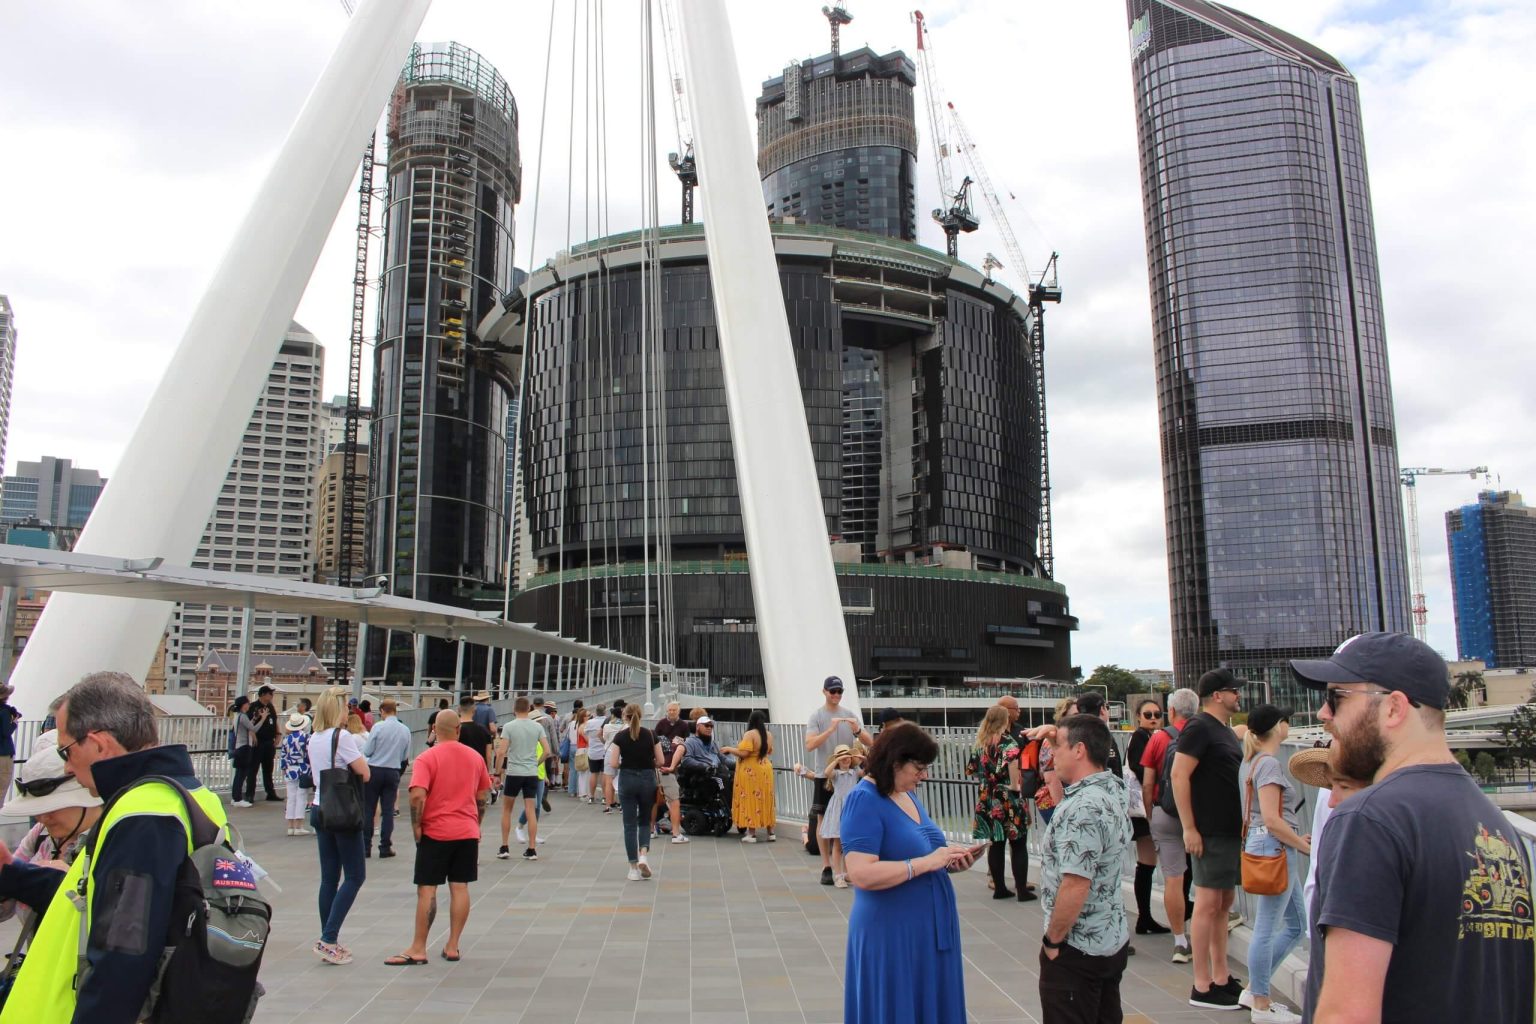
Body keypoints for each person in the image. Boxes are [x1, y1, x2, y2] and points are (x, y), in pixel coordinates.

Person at [1293, 631, 1534, 1023]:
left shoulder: (1369, 820)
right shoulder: (1497, 827)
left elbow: (1347, 1014)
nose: (1323, 714)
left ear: (1393, 708)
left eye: (1336, 698)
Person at [0, 671, 230, 1021]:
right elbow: (99, 899)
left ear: (99, 744)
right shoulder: (188, 795)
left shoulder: (143, 815)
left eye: (66, 749)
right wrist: (14, 875)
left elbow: (123, 958)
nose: (66, 764)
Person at [841, 723, 979, 1023]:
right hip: (892, 932)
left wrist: (949, 860)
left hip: (927, 931)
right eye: (919, 767)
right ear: (895, 762)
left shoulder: (906, 794)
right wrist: (928, 863)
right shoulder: (862, 800)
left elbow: (921, 852)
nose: (924, 775)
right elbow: (861, 873)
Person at [1037, 714, 1134, 1023]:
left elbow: (1076, 884)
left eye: (1059, 748)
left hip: (1078, 950)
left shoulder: (1083, 809)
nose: (1053, 755)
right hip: (1109, 939)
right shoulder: (1113, 789)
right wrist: (1056, 735)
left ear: (1079, 750)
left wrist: (1053, 941)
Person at [384, 710, 491, 966]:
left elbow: (417, 795)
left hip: (436, 831)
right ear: (458, 730)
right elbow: (482, 796)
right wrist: (476, 824)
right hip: (466, 831)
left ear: (434, 729)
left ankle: (419, 947)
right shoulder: (475, 757)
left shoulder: (427, 758)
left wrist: (416, 827)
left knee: (427, 889)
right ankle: (453, 945)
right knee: (460, 886)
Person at [1170, 668, 1245, 1009]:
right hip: (1209, 830)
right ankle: (1202, 984)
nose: (1238, 696)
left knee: (1223, 904)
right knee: (1207, 903)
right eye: (1233, 691)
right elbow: (1178, 773)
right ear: (1217, 695)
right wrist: (1189, 828)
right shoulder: (1200, 727)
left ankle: (1221, 976)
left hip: (1227, 830)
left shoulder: (1224, 730)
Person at [1232, 705, 1310, 1023]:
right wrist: (1301, 845)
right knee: (1267, 927)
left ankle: (1255, 989)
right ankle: (1261, 1004)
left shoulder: (1250, 762)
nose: (1288, 725)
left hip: (1266, 844)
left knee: (1295, 925)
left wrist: (1292, 837)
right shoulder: (1269, 765)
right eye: (1286, 720)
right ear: (1278, 727)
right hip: (1274, 847)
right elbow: (1272, 819)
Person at [0, 730, 103, 948]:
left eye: (51, 807)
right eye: (38, 809)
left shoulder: (110, 840)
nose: (42, 816)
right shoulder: (42, 834)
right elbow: (6, 907)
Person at [307, 687, 370, 965]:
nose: (349, 712)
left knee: (329, 878)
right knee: (355, 876)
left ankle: (327, 939)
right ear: (337, 710)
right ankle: (329, 938)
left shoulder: (314, 738)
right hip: (342, 811)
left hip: (320, 807)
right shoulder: (341, 736)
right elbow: (364, 772)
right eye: (345, 707)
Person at [1141, 687, 1198, 964]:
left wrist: (1152, 816)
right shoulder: (1203, 734)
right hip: (1199, 815)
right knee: (1205, 878)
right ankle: (1208, 935)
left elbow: (1148, 782)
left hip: (1165, 811)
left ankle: (1179, 941)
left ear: (1171, 711)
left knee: (1173, 879)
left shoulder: (1159, 738)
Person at [805, 676, 873, 885]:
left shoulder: (849, 715)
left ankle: (845, 867)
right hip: (825, 774)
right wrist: (830, 730)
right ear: (824, 691)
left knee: (849, 819)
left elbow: (870, 742)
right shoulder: (817, 715)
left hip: (849, 774)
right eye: (832, 691)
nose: (836, 695)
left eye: (839, 691)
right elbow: (810, 745)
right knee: (822, 818)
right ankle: (827, 865)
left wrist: (857, 730)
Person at [967, 706, 1029, 900]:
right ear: (1004, 720)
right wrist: (1014, 786)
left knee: (996, 843)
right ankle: (1022, 890)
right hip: (1006, 796)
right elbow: (1012, 767)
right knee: (1018, 843)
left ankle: (999, 888)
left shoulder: (980, 743)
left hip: (987, 796)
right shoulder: (1008, 742)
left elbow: (971, 770)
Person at [1125, 698, 1171, 936]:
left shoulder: (1152, 736)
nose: (1153, 718)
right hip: (1144, 809)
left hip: (1147, 807)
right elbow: (1141, 768)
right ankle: (1144, 917)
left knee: (1148, 862)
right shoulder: (1140, 738)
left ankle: (1145, 918)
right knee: (1147, 862)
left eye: (1157, 714)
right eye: (1148, 714)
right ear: (1138, 717)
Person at [608, 703, 661, 880]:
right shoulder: (651, 734)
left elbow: (614, 763)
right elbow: (660, 760)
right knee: (645, 820)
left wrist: (627, 764)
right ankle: (644, 855)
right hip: (648, 779)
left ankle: (633, 868)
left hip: (628, 779)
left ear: (625, 716)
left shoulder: (620, 736)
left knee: (629, 824)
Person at [362, 698, 411, 858]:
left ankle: (365, 846)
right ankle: (385, 846)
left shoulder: (378, 727)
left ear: (382, 711)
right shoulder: (405, 730)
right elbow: (405, 755)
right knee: (388, 810)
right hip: (393, 771)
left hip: (375, 769)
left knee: (369, 808)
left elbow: (368, 751)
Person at [497, 697, 545, 862]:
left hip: (514, 772)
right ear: (529, 709)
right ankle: (531, 848)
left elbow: (501, 751)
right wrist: (535, 763)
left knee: (507, 810)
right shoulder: (537, 727)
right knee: (530, 809)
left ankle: (504, 847)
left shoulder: (509, 727)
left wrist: (497, 772)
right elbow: (547, 751)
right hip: (531, 773)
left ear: (514, 709)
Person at [724, 709, 776, 843]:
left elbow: (744, 753)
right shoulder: (768, 734)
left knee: (751, 798)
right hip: (765, 768)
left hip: (751, 770)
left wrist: (729, 749)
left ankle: (751, 833)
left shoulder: (750, 734)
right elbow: (769, 751)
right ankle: (771, 832)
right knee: (766, 798)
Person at [818, 743, 864, 885]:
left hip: (852, 808)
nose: (846, 759)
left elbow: (868, 770)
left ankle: (847, 872)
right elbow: (826, 772)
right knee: (838, 843)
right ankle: (838, 875)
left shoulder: (855, 771)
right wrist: (836, 760)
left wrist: (861, 757)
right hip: (839, 810)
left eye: (848, 757)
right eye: (842, 757)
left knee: (849, 844)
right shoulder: (836, 774)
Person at [652, 701, 692, 841]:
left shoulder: (683, 725)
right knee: (668, 799)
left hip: (674, 762)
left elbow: (686, 741)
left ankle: (660, 825)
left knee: (665, 797)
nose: (672, 712)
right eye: (669, 710)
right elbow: (655, 740)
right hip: (663, 763)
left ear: (678, 712)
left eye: (674, 710)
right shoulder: (661, 724)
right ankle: (672, 831)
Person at [1035, 696, 1078, 826]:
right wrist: (1062, 811)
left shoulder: (1074, 737)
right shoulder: (1052, 740)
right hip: (1054, 802)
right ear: (1063, 716)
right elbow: (1051, 779)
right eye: (1075, 715)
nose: (1080, 718)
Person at [279, 711, 312, 836]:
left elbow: (283, 756)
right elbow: (310, 755)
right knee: (301, 797)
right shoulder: (306, 738)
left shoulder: (286, 739)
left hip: (290, 770)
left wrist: (284, 768)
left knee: (291, 798)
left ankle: (290, 826)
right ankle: (299, 825)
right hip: (303, 769)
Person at [250, 684, 280, 801]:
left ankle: (270, 793)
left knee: (268, 769)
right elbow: (249, 724)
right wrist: (252, 735)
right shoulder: (254, 707)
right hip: (258, 742)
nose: (271, 696)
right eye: (269, 694)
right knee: (253, 769)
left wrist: (278, 734)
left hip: (269, 742)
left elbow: (275, 721)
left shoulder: (270, 707)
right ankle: (250, 794)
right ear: (263, 695)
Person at [229, 694, 258, 807]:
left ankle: (235, 797)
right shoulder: (243, 716)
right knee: (242, 774)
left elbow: (249, 725)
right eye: (248, 703)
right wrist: (263, 718)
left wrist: (255, 718)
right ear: (244, 705)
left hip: (238, 747)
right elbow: (253, 728)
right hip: (244, 747)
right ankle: (238, 799)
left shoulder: (238, 716)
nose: (249, 705)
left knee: (239, 774)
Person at [456, 696, 494, 776]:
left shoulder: (455, 730)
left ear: (459, 709)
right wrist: (488, 773)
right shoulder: (484, 730)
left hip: (460, 770)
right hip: (479, 770)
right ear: (474, 710)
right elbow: (489, 756)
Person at [600, 702, 626, 812]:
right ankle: (621, 805)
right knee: (622, 779)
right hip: (623, 753)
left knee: (609, 779)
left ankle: (608, 805)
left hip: (610, 753)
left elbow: (604, 738)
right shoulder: (626, 726)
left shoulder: (607, 726)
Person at [583, 703, 609, 803]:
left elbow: (585, 733)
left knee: (593, 773)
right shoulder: (607, 721)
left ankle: (591, 796)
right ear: (605, 711)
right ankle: (604, 797)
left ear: (596, 712)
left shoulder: (590, 722)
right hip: (604, 751)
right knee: (603, 774)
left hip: (593, 751)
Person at [0, 684, 20, 801]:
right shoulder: (4, 712)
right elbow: (6, 732)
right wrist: (14, 722)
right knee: (2, 787)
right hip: (3, 754)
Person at [571, 707, 593, 801]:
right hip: (584, 750)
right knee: (585, 772)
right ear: (584, 717)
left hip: (581, 749)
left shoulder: (580, 725)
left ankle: (583, 793)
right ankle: (584, 793)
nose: (590, 717)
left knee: (582, 772)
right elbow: (588, 740)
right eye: (589, 716)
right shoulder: (583, 726)